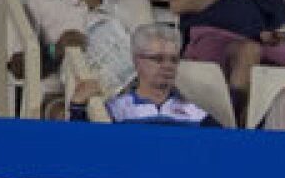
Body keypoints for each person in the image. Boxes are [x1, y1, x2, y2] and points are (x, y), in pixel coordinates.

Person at [73, 21, 220, 124]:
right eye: (158, 59)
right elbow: (84, 150)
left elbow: (227, 149)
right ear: (137, 61)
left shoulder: (194, 113)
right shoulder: (115, 111)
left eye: (173, 60)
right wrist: (77, 108)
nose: (168, 66)